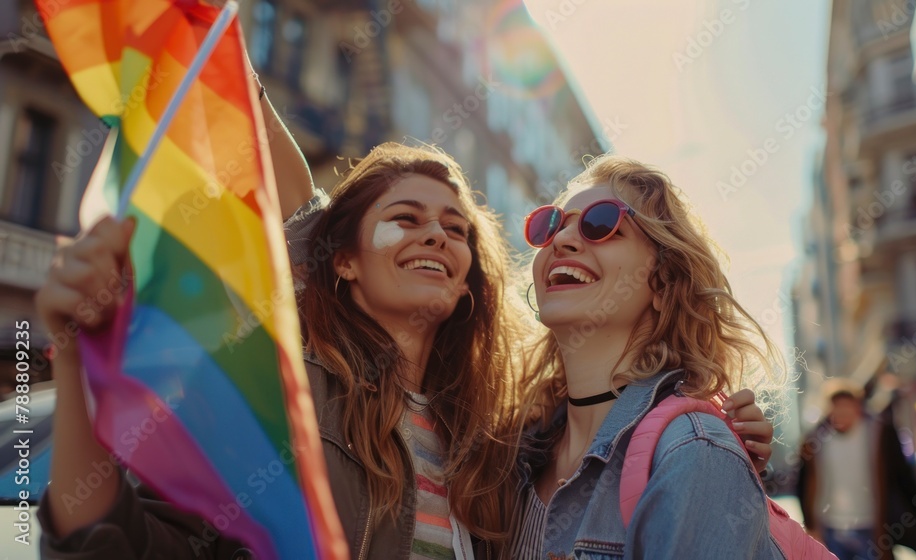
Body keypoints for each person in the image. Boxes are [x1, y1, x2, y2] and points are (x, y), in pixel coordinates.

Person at [34, 94, 776, 558]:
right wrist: (67, 357)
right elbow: (121, 541)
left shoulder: (496, 441)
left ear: (468, 280)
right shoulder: (276, 394)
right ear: (344, 262)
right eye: (405, 220)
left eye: (456, 228)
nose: (436, 237)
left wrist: (704, 430)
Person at [509, 155, 785, 558]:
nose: (563, 240)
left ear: (662, 282)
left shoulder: (694, 453)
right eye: (552, 224)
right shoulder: (510, 451)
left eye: (602, 224)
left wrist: (707, 471)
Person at [797, 380, 916, 560]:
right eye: (837, 407)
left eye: (847, 407)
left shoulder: (879, 434)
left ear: (858, 408)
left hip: (871, 526)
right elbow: (803, 483)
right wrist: (810, 525)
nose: (842, 413)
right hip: (831, 527)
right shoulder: (815, 440)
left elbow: (904, 476)